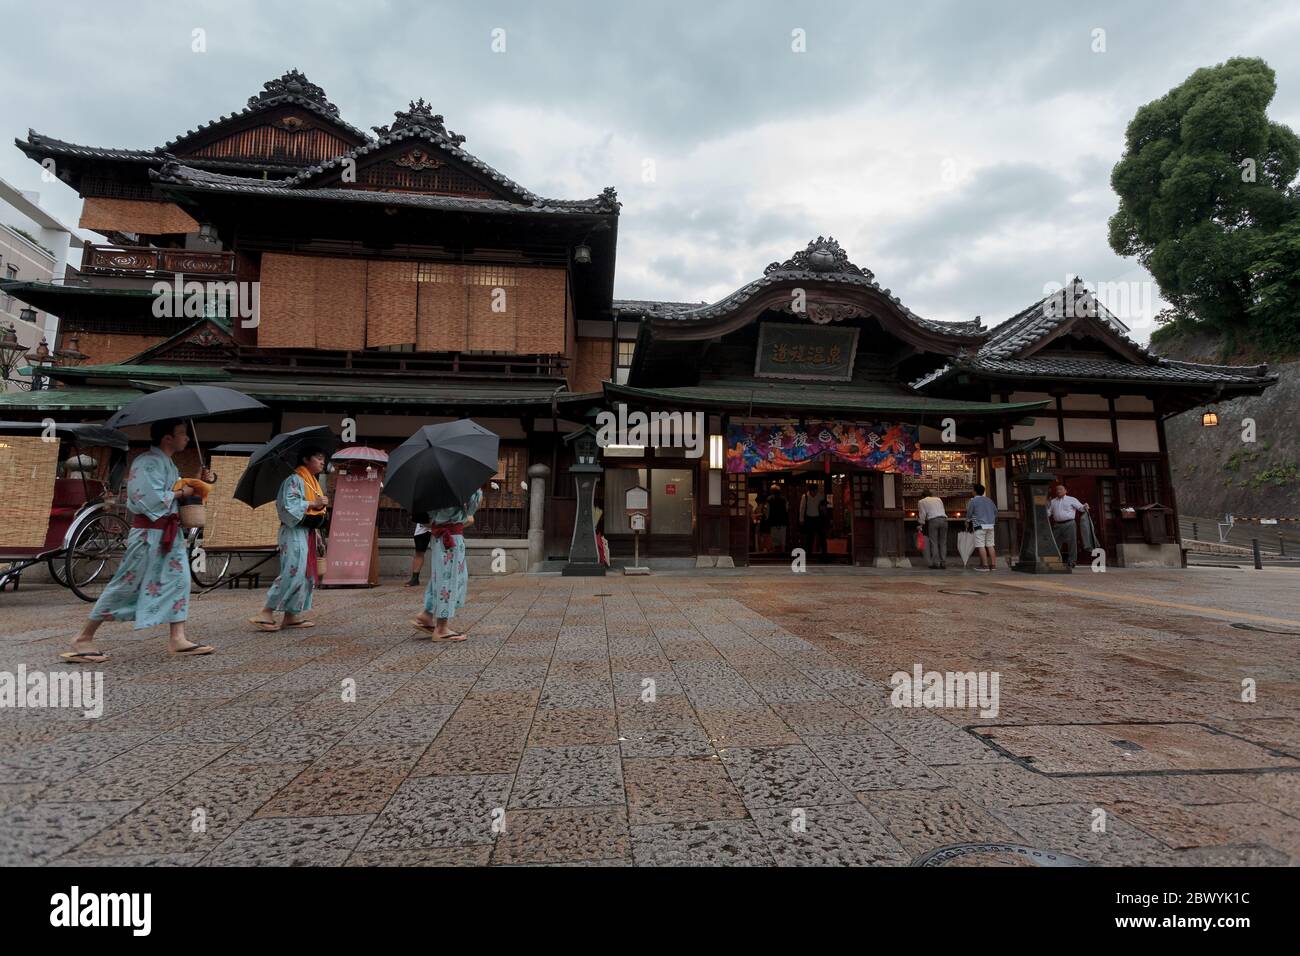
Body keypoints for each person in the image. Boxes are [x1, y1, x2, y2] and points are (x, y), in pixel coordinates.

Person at [64, 419, 215, 663]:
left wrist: (197, 480)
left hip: (167, 533)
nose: (186, 438)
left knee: (179, 580)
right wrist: (181, 492)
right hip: (148, 534)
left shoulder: (166, 463)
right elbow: (146, 496)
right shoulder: (146, 462)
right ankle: (83, 637)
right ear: (167, 438)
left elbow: (174, 490)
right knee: (126, 582)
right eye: (182, 434)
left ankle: (178, 637)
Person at [251, 447, 329, 631]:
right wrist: (313, 503)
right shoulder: (294, 479)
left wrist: (317, 533)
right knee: (294, 570)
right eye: (318, 457)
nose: (322, 462)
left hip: (306, 531)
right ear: (306, 459)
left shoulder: (311, 481)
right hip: (293, 531)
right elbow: (288, 506)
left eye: (323, 459)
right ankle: (266, 612)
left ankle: (291, 614)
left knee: (305, 573)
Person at [412, 486, 484, 641]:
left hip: (438, 536)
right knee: (450, 578)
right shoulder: (459, 484)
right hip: (451, 538)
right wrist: (476, 490)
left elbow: (426, 518)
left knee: (440, 576)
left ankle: (427, 614)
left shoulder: (432, 485)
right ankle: (441, 628)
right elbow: (471, 509)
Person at [1048, 482, 1089, 568]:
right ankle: (1055, 561)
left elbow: (1080, 508)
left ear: (1065, 491)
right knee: (1055, 543)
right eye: (1057, 490)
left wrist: (1084, 506)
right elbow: (1049, 513)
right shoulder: (1053, 501)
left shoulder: (1071, 499)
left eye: (1060, 489)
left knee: (1071, 542)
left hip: (1069, 523)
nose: (1058, 491)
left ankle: (1072, 561)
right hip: (1057, 525)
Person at [966, 482, 999, 572]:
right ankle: (993, 565)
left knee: (980, 545)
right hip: (990, 525)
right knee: (990, 545)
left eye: (973, 490)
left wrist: (967, 521)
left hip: (979, 525)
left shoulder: (973, 501)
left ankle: (985, 566)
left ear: (975, 491)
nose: (972, 491)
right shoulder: (989, 500)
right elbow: (996, 512)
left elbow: (969, 513)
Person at [916, 488, 948, 569]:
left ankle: (936, 563)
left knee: (934, 542)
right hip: (944, 520)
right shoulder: (938, 499)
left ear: (922, 496)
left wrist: (921, 524)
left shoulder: (921, 501)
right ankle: (943, 563)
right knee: (943, 542)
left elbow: (922, 514)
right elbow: (942, 510)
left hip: (933, 521)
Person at [799, 483, 827, 555]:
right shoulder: (805, 496)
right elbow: (802, 508)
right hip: (809, 518)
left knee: (822, 536)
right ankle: (809, 553)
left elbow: (823, 507)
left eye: (816, 491)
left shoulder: (820, 496)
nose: (815, 492)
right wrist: (801, 519)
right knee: (809, 537)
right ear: (810, 491)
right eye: (813, 491)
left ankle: (824, 552)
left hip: (818, 518)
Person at [407, 516, 431, 587]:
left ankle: (440, 578)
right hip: (422, 528)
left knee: (440, 554)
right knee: (419, 552)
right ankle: (415, 578)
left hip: (439, 527)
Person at [765, 483, 789, 553]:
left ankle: (776, 553)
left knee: (774, 539)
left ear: (772, 491)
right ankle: (783, 552)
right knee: (782, 538)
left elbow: (767, 511)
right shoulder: (784, 499)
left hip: (773, 521)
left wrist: (767, 519)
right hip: (783, 521)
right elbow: (786, 509)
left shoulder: (769, 499)